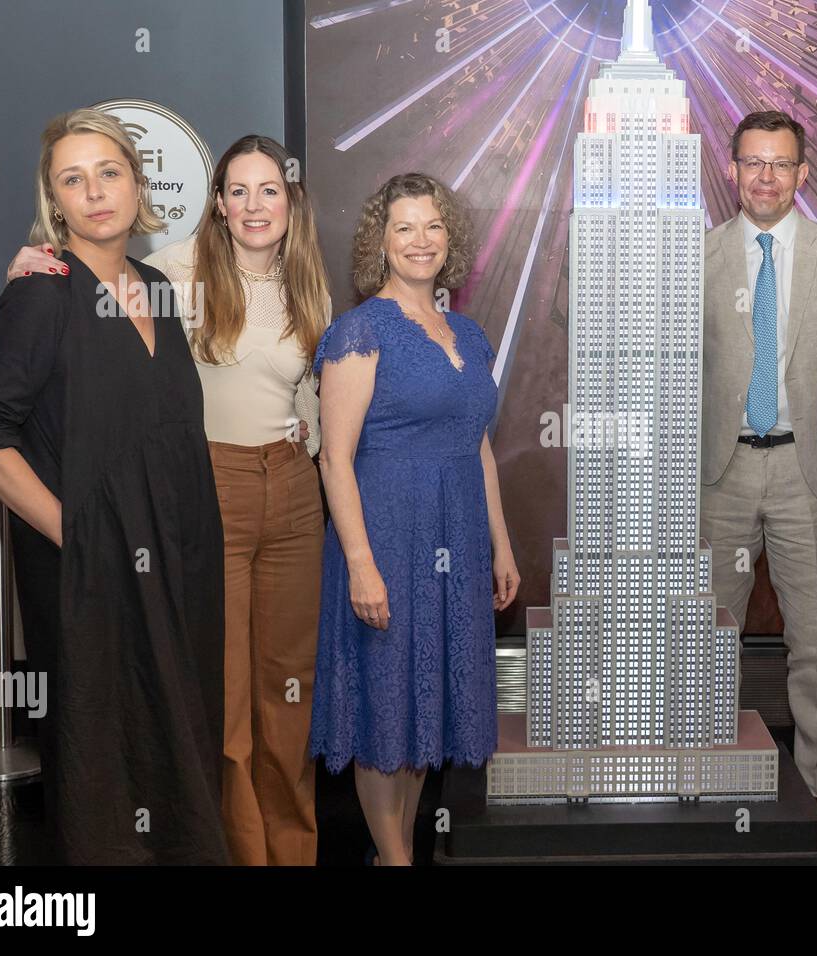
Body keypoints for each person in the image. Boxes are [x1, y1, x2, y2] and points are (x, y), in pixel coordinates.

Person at [4, 134, 332, 866]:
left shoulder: (308, 279)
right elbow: (84, 277)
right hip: (210, 486)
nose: (255, 206)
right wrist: (35, 262)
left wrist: (303, 438)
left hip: (293, 490)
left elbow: (306, 387)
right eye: (238, 191)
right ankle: (236, 851)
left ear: (291, 201)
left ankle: (295, 854)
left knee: (290, 697)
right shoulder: (175, 269)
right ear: (216, 204)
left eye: (269, 190)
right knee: (221, 696)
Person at [0, 108, 227, 863]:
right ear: (54, 200)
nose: (95, 192)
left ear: (138, 185)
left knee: (176, 736)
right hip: (91, 577)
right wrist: (78, 534)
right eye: (73, 179)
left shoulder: (160, 287)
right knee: (105, 754)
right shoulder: (42, 292)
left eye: (109, 173)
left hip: (175, 563)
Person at [309, 173, 520, 865]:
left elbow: (480, 448)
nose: (420, 240)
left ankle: (395, 857)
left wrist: (501, 547)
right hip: (389, 537)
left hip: (456, 537)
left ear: (449, 239)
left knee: (426, 703)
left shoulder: (468, 332)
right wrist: (362, 565)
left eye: (432, 226)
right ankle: (396, 859)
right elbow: (335, 460)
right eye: (404, 227)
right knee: (385, 709)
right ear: (380, 241)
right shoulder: (360, 331)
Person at [700, 110, 817, 849]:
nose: (765, 176)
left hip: (808, 473)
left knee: (813, 642)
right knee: (708, 636)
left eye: (780, 164)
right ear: (732, 170)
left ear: (803, 175)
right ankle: (699, 770)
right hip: (721, 473)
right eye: (752, 163)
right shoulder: (696, 259)